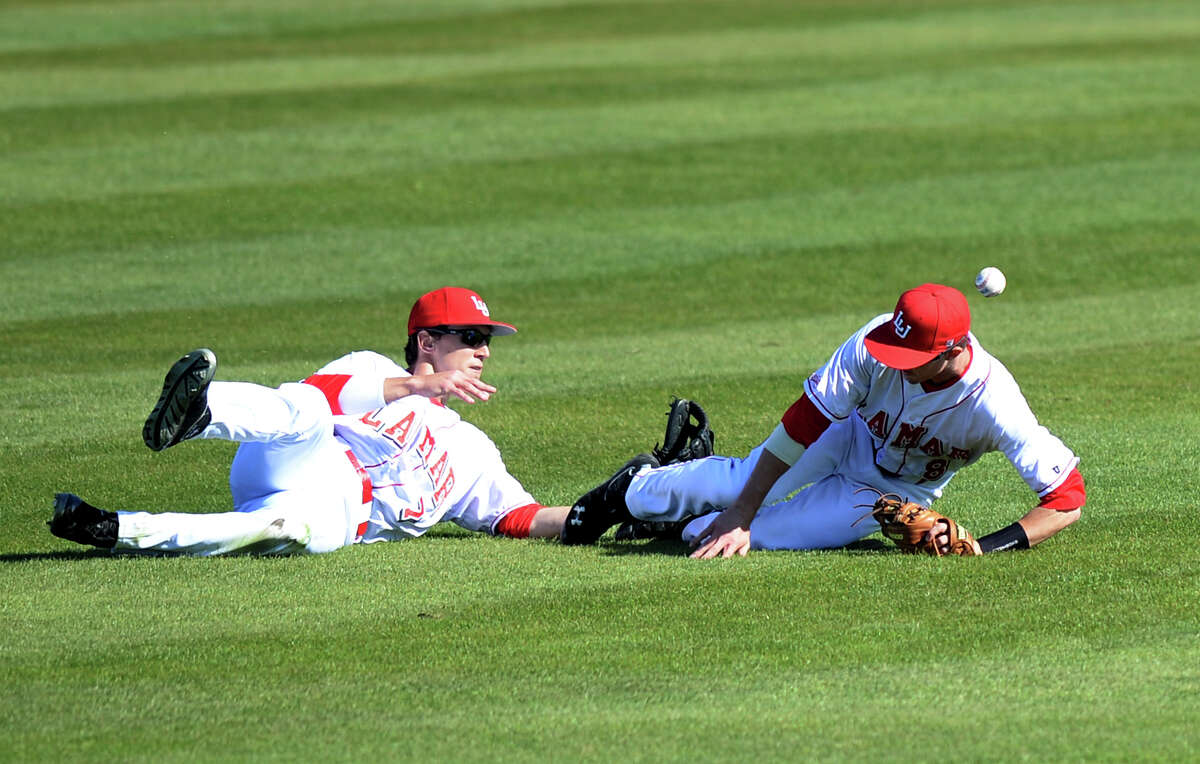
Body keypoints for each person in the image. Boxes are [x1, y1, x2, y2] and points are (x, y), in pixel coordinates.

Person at [562, 283, 1085, 558]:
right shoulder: (875, 341)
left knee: (741, 537)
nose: (891, 357)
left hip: (891, 494)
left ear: (952, 352)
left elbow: (1067, 499)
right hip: (842, 435)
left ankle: (668, 523)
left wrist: (985, 549)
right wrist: (743, 507)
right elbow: (803, 423)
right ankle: (627, 492)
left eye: (909, 353)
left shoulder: (994, 403)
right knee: (741, 485)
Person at [48, 287, 571, 556]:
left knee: (277, 531)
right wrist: (414, 387)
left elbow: (520, 518)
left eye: (487, 340)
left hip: (339, 516)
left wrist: (609, 508)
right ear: (428, 342)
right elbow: (309, 397)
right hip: (300, 461)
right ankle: (201, 414)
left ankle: (113, 528)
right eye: (471, 336)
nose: (483, 350)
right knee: (306, 410)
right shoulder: (372, 369)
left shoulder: (473, 450)